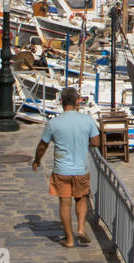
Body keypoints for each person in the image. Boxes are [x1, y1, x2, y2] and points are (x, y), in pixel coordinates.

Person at [31, 88, 101, 248]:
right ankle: (81, 229)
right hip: (81, 169)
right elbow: (96, 142)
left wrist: (36, 160)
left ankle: (69, 239)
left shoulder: (54, 123)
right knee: (81, 198)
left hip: (61, 170)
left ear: (61, 102)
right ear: (77, 101)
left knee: (64, 203)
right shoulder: (87, 120)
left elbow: (42, 145)